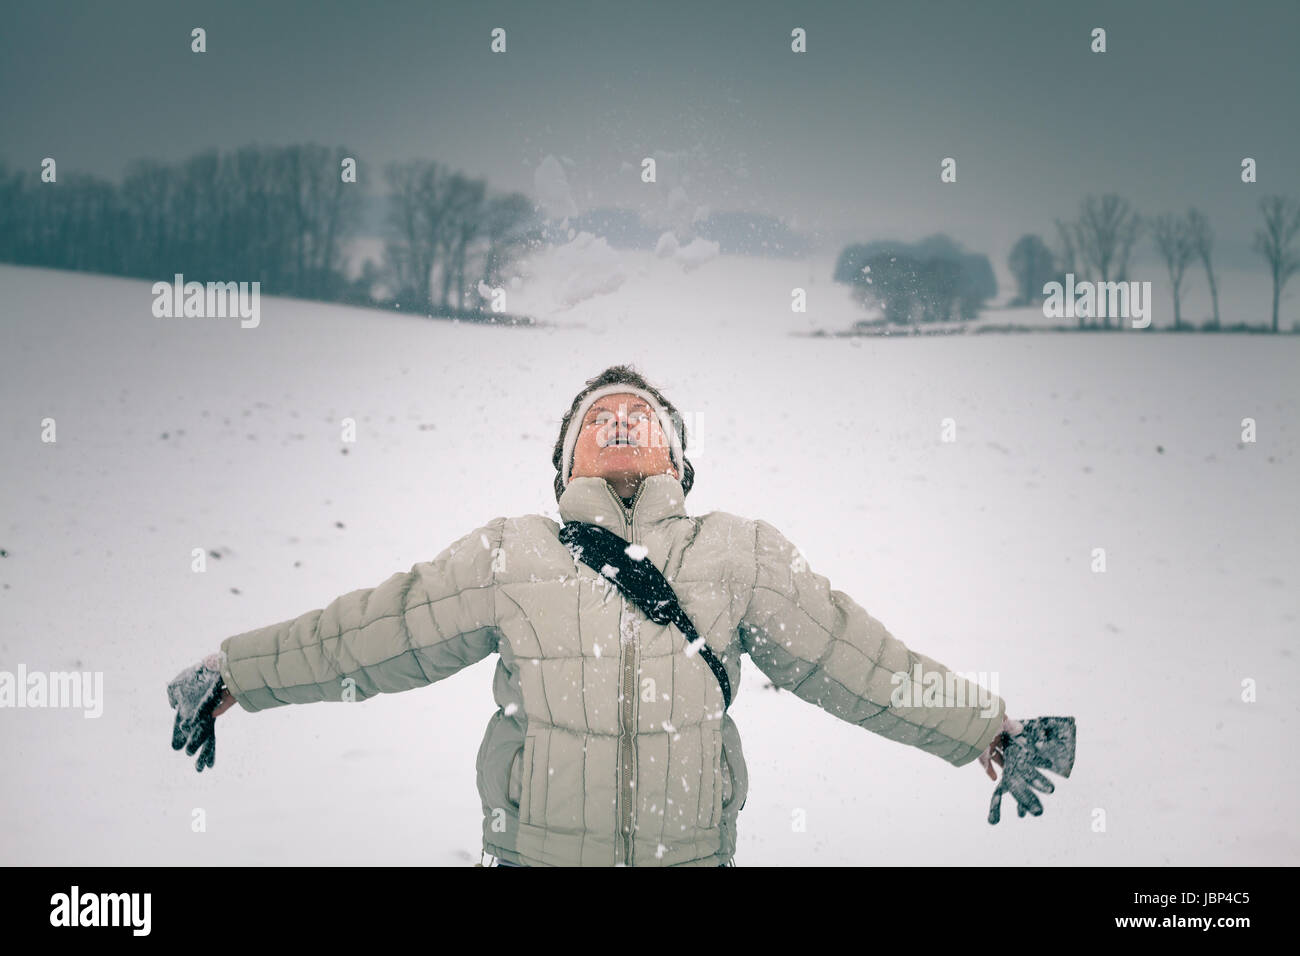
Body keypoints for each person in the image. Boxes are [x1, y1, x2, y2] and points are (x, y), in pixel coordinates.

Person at [168, 363, 1027, 867]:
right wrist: (239, 670)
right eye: (598, 416)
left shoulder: (738, 552)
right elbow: (375, 631)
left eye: (638, 414)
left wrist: (985, 726)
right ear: (564, 464)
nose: (619, 418)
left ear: (679, 463)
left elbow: (857, 661)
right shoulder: (513, 551)